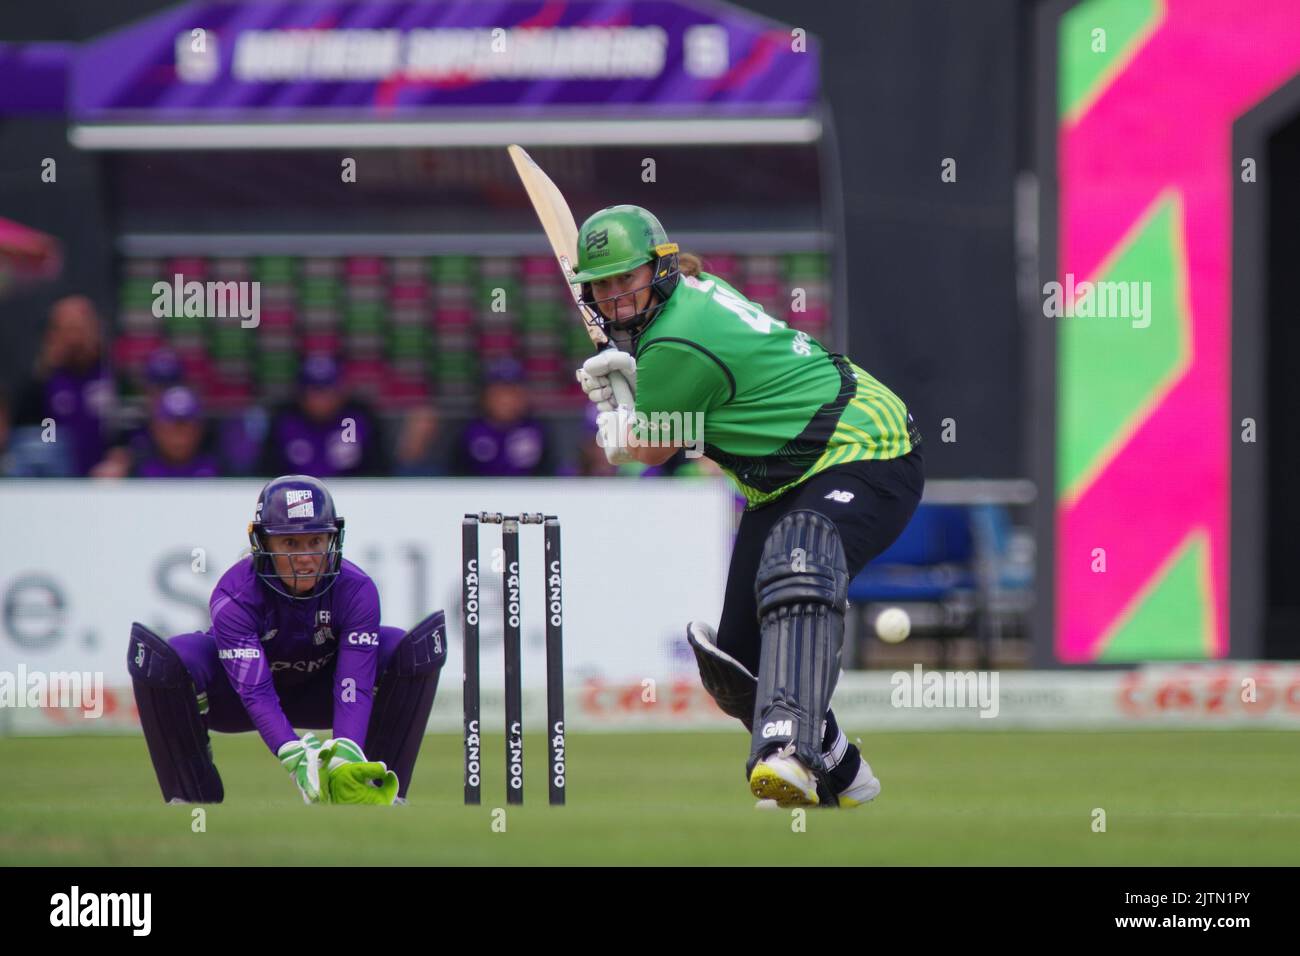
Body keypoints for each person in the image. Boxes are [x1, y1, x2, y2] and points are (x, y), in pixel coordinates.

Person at [573, 205, 924, 809]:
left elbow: (651, 450)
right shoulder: (687, 299)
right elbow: (680, 414)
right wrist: (634, 390)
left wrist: (618, 425)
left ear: (658, 270)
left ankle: (788, 752)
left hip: (864, 449)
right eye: (601, 285)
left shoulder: (677, 341)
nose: (614, 298)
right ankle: (846, 775)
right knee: (736, 665)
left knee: (800, 563)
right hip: (783, 479)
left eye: (624, 279)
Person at [127, 475, 447, 804]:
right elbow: (256, 690)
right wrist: (292, 754)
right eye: (290, 543)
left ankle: (374, 789)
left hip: (323, 696)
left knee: (402, 649)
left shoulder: (357, 589)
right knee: (171, 659)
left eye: (316, 541)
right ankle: (190, 799)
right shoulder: (234, 595)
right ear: (263, 544)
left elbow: (354, 683)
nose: (305, 557)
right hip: (237, 701)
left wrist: (345, 756)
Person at [12, 295, 127, 477]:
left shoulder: (116, 381)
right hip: (55, 487)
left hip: (106, 487)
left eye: (80, 329)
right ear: (52, 335)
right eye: (67, 330)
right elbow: (29, 442)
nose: (74, 339)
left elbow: (130, 436)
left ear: (96, 330)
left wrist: (120, 459)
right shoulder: (40, 387)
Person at [260, 354, 388, 478]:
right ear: (301, 393)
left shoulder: (360, 418)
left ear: (341, 391)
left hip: (353, 495)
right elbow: (265, 472)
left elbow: (378, 472)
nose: (321, 399)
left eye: (328, 391)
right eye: (314, 391)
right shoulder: (284, 420)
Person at [452, 357, 552, 477]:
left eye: (512, 393)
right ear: (485, 396)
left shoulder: (538, 431)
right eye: (498, 393)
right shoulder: (468, 432)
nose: (505, 400)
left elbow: (548, 478)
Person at [132, 386, 221, 478]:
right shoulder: (135, 473)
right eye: (170, 428)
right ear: (155, 429)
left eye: (185, 427)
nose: (178, 437)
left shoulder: (221, 473)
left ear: (199, 429)